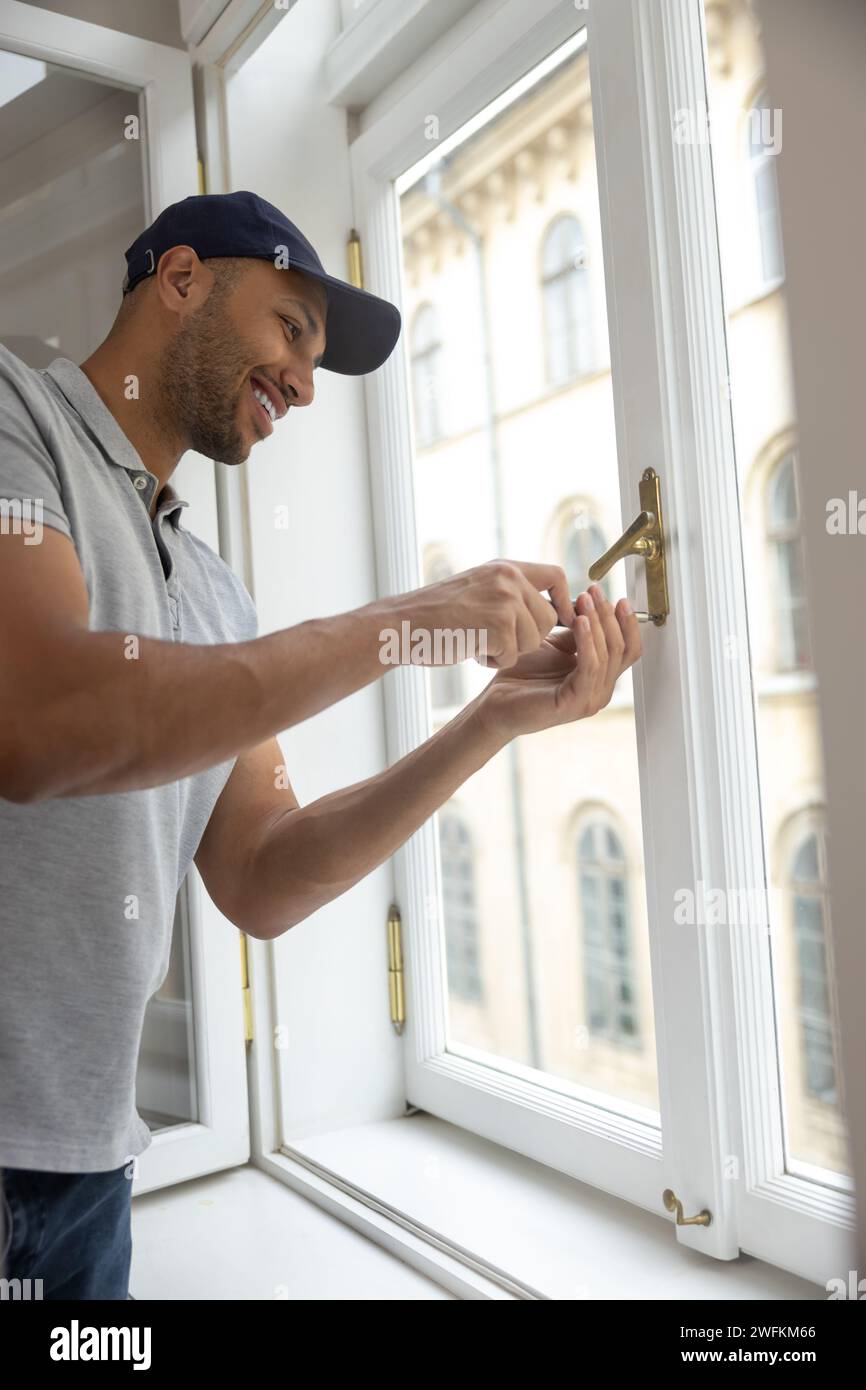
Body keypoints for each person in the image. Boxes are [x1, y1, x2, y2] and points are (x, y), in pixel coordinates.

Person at [0, 190, 641, 1300]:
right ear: (183, 279)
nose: (302, 380)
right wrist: (406, 618)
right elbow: (38, 721)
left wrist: (486, 718)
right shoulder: (18, 417)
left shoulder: (209, 591)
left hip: (90, 1181)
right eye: (290, 328)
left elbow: (262, 872)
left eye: (313, 355)